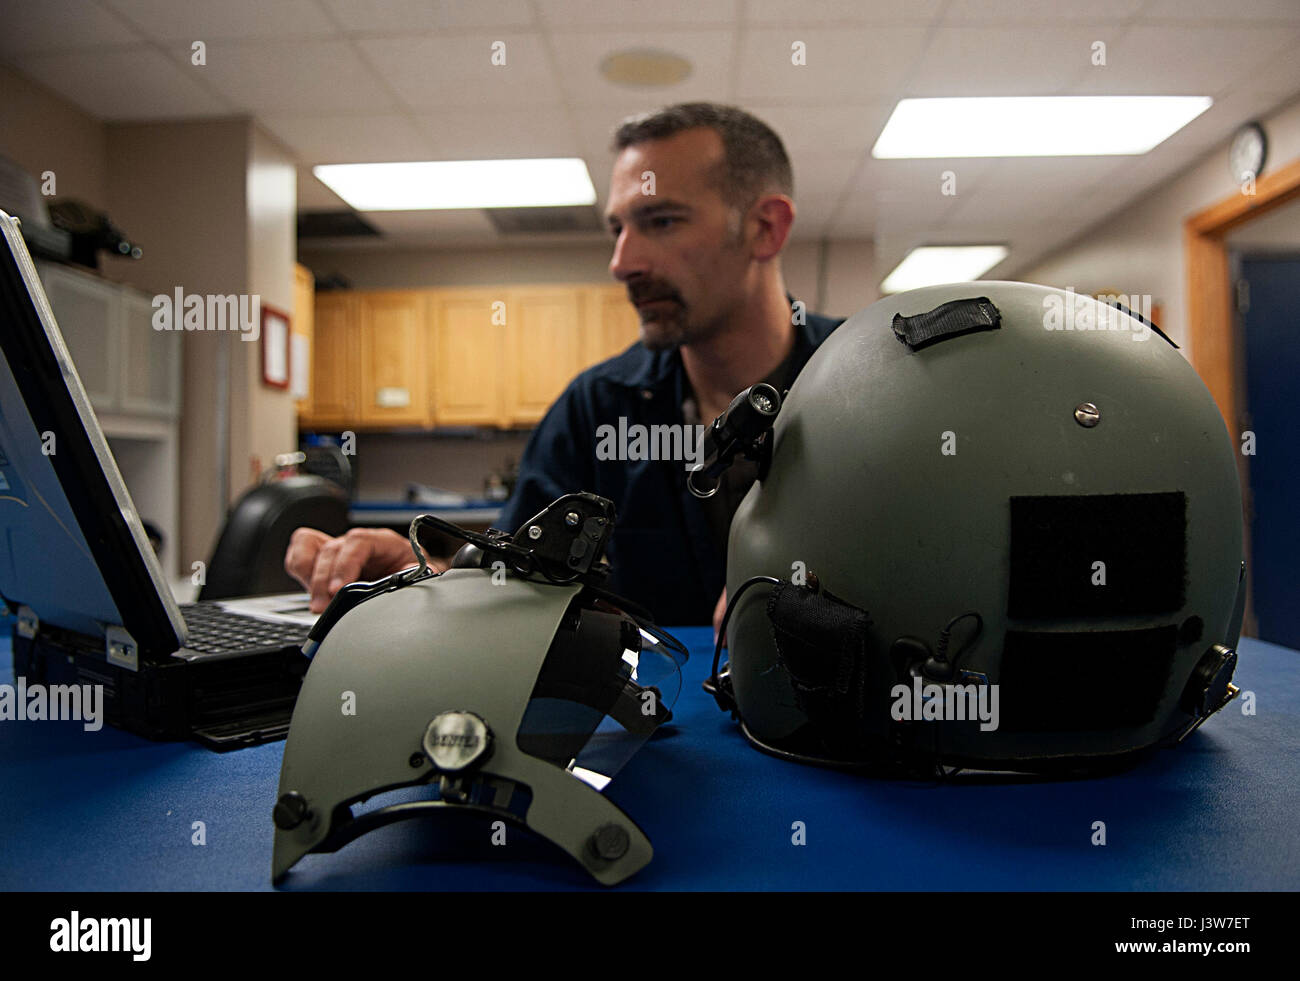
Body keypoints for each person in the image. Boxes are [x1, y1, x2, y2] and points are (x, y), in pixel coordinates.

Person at [285, 102, 842, 628]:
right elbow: (515, 582)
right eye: (617, 229)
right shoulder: (595, 408)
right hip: (658, 725)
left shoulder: (872, 386)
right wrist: (419, 577)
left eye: (663, 221)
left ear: (765, 228)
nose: (622, 262)